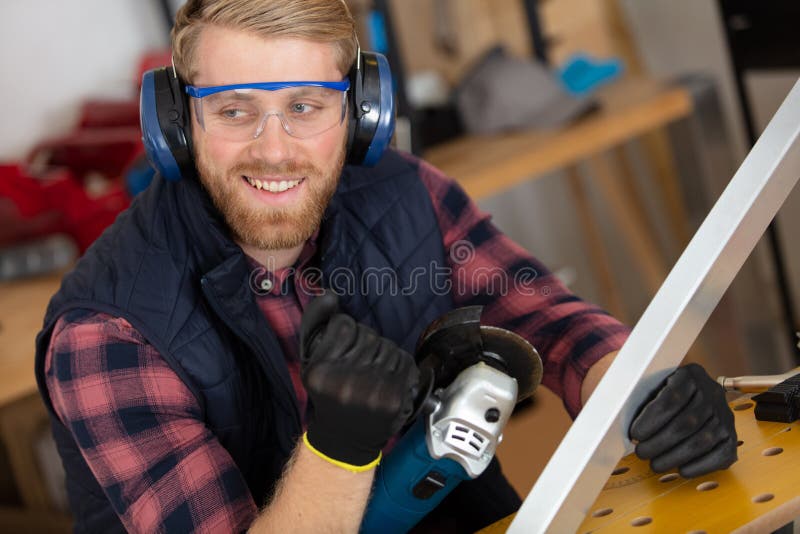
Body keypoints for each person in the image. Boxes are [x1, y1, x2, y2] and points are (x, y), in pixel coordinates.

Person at [34, 1, 738, 532]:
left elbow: (543, 315)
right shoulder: (109, 331)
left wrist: (642, 391)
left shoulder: (404, 193)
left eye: (306, 107)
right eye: (234, 110)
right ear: (178, 125)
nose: (273, 150)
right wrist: (337, 448)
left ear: (363, 113)